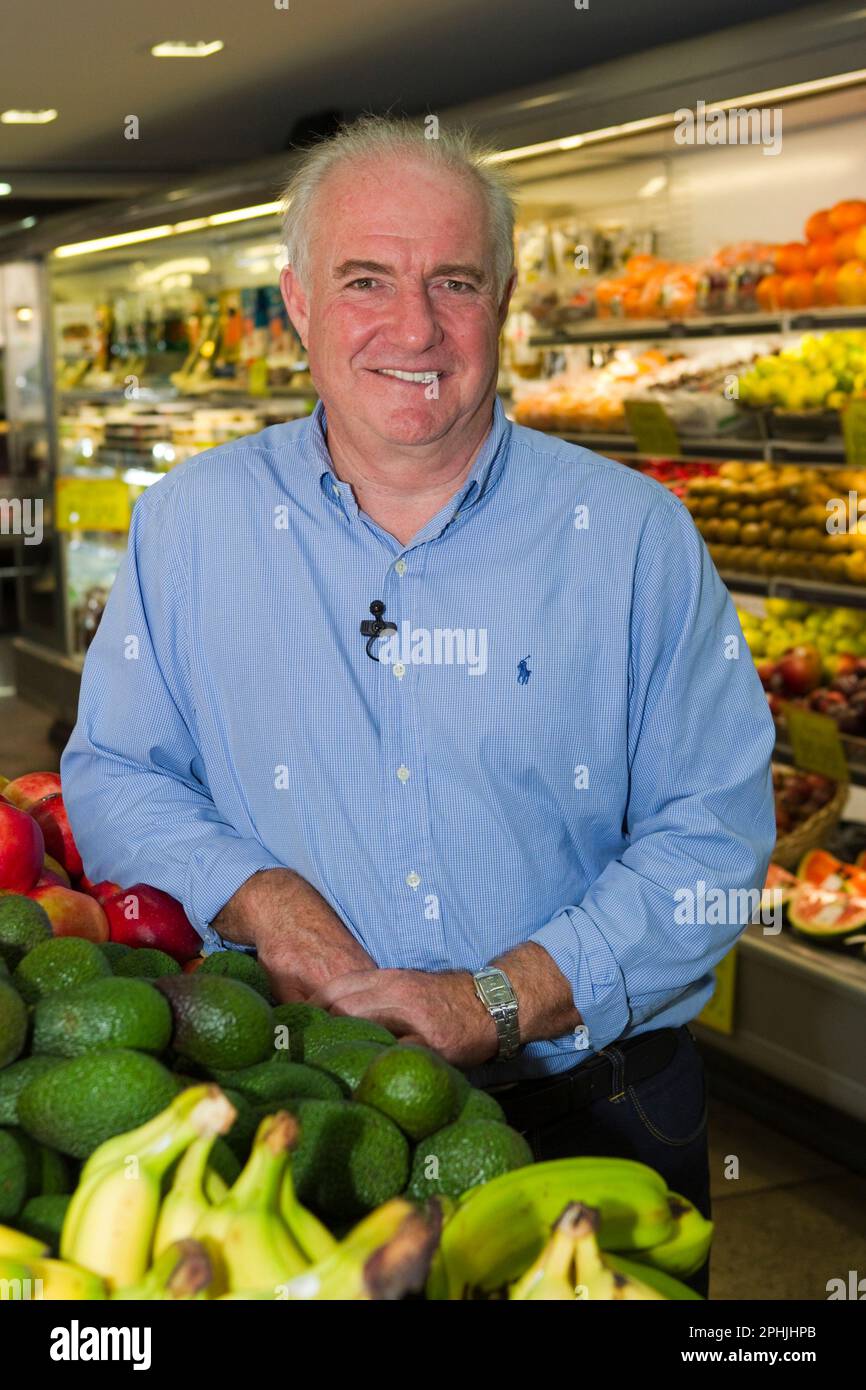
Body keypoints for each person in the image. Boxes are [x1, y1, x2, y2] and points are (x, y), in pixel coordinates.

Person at [61, 116, 776, 1296]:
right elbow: (118, 768)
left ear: (503, 299)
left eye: (452, 281)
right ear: (295, 300)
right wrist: (266, 898)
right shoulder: (189, 525)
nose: (413, 328)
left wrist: (501, 995)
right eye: (364, 280)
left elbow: (712, 834)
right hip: (303, 1108)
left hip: (595, 1104)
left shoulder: (635, 536)